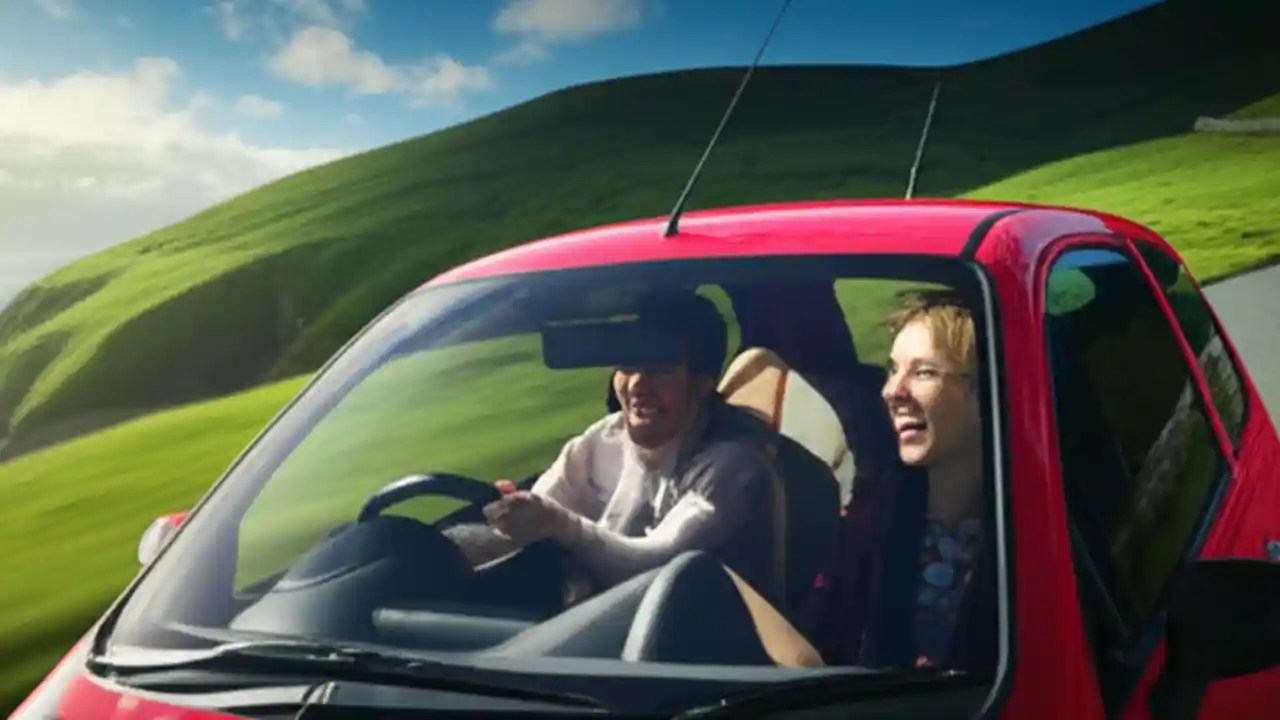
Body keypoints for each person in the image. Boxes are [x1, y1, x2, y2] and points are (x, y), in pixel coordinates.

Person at [444, 291, 783, 607]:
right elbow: (531, 524)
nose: (638, 385)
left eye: (660, 370)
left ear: (702, 384)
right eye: (628, 365)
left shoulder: (732, 468)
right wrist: (512, 514)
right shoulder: (603, 439)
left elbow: (660, 567)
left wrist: (562, 526)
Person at [798, 289, 997, 673]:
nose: (892, 391)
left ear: (985, 391)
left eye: (924, 372)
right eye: (892, 370)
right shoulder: (871, 515)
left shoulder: (1037, 526)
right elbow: (821, 645)